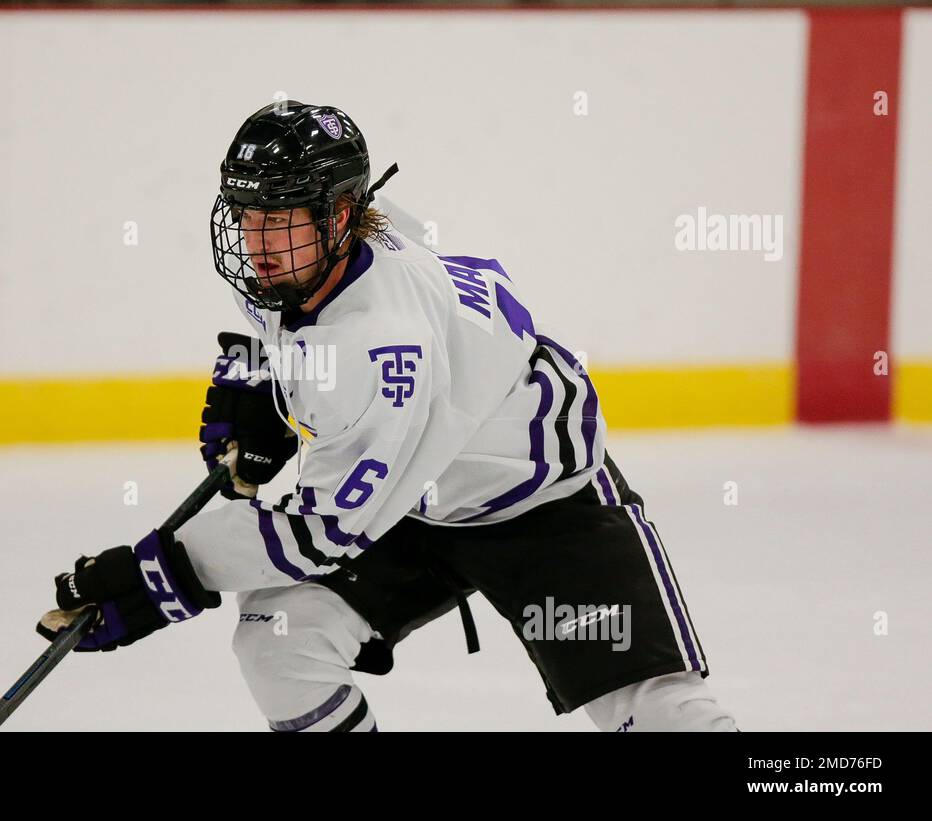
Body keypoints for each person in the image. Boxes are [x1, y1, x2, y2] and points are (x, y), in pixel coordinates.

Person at [39, 101, 738, 733]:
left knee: (658, 712)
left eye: (278, 220)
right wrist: (261, 386)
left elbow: (322, 530)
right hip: (413, 496)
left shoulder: (374, 346)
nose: (258, 244)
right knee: (280, 640)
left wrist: (164, 574)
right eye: (249, 217)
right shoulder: (323, 253)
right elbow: (282, 331)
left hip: (540, 502)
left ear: (339, 217)